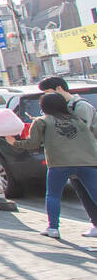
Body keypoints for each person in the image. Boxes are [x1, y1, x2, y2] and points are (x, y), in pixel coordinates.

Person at [6, 92, 97, 241]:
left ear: (43, 106)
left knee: (53, 195)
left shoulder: (42, 121)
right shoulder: (78, 120)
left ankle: (53, 228)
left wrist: (14, 142)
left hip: (59, 164)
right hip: (86, 162)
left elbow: (32, 143)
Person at [36, 77, 97, 237]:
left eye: (48, 93)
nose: (46, 97)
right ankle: (95, 224)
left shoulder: (80, 106)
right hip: (73, 157)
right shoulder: (63, 108)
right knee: (83, 193)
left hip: (86, 156)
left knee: (91, 192)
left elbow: (84, 133)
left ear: (59, 88)